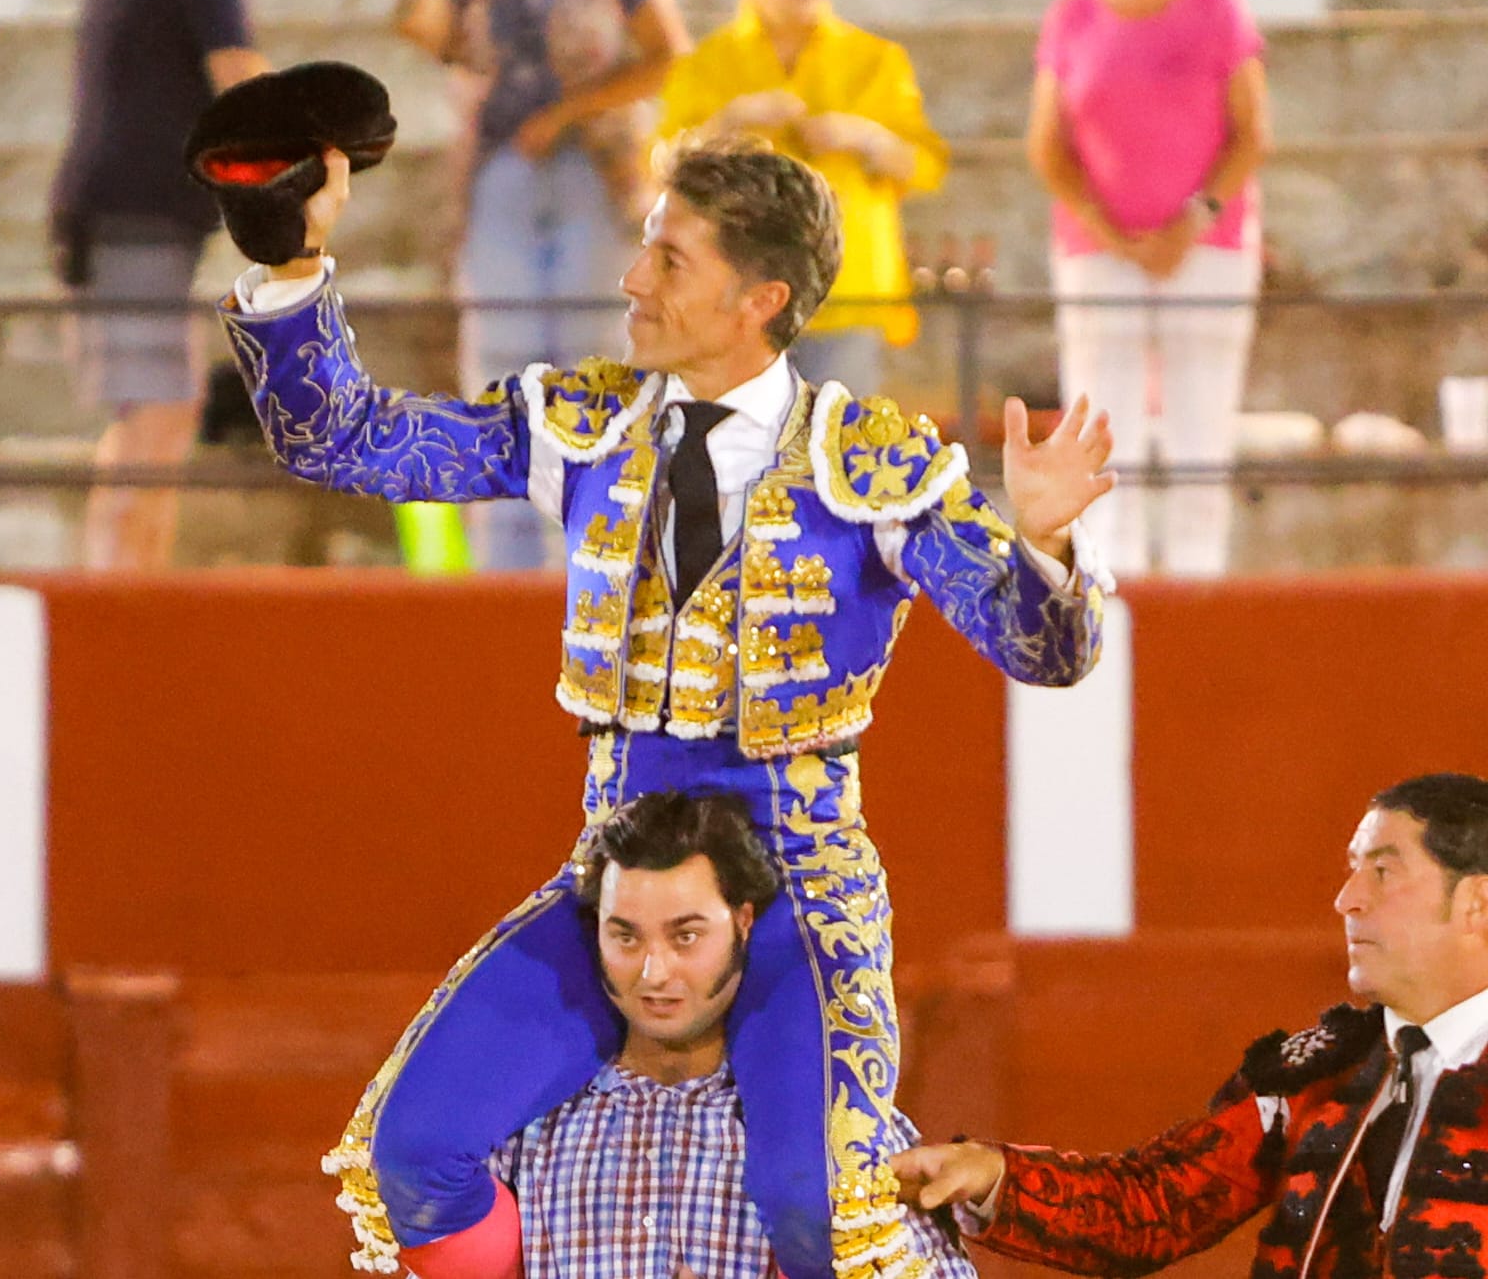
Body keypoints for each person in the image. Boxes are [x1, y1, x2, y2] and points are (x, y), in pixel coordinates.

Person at [216, 136, 1114, 1279]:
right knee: (413, 1152)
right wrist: (290, 261)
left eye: (668, 259)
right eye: (646, 249)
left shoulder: (865, 463)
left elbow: (1042, 652)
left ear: (761, 298)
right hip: (618, 880)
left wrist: (1041, 541)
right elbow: (342, 435)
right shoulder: (583, 424)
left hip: (797, 882)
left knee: (816, 1205)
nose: (634, 282)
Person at [892, 772, 1488, 1279]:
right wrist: (991, 1174)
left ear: (1476, 905)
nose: (1347, 899)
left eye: (1383, 873)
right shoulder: (1326, 1071)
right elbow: (1155, 1204)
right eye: (1354, 870)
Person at [462, 789, 975, 1279]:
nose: (653, 973)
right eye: (625, 936)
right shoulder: (523, 1130)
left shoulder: (835, 1128)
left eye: (686, 936)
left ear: (743, 921)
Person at [394, 0, 692, 570]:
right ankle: (509, 560)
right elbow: (415, 22)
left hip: (596, 172)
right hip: (503, 181)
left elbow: (668, 53)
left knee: (595, 354)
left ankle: (599, 554)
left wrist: (568, 114)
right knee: (503, 361)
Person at [48, 0, 292, 569]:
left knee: (148, 414)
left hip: (122, 217)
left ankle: (119, 583)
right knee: (158, 416)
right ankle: (127, 596)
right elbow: (238, 78)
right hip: (138, 222)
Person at [1027, 0, 1272, 577]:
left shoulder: (1218, 8)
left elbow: (1251, 132)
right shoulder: (1070, 15)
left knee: (1203, 426)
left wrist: (1190, 221)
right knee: (1105, 430)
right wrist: (1109, 232)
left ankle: (1200, 582)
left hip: (1209, 245)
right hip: (1100, 248)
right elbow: (1048, 145)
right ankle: (1110, 583)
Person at [656, 0, 948, 397]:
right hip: (735, 296)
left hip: (846, 290)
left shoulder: (875, 60)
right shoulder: (706, 65)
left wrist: (866, 138)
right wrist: (729, 122)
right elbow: (658, 166)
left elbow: (924, 166)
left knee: (833, 451)